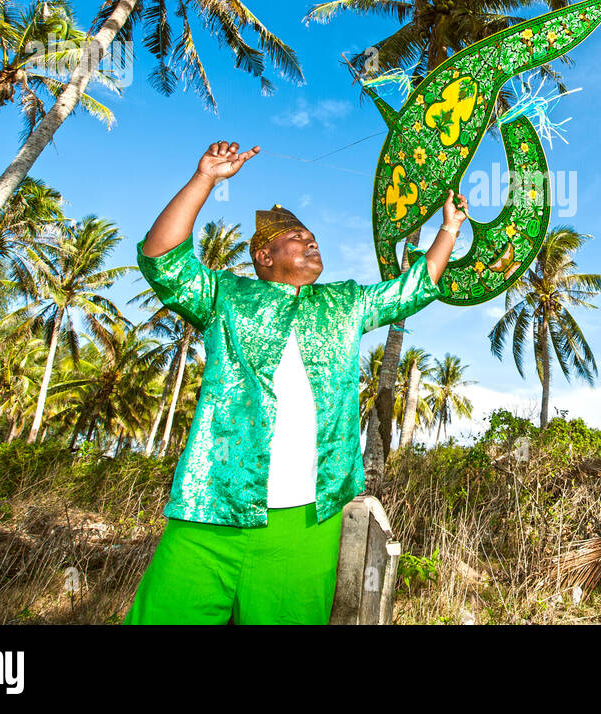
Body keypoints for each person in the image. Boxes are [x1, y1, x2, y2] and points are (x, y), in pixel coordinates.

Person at [123, 140, 467, 624]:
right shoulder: (225, 295)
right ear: (264, 256)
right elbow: (162, 260)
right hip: (210, 512)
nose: (312, 242)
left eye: (314, 238)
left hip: (306, 524)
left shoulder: (345, 302)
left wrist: (449, 229)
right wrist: (206, 178)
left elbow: (413, 288)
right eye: (298, 238)